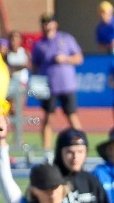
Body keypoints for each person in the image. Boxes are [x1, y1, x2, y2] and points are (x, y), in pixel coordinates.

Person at [28, 14, 85, 152]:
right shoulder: (39, 44)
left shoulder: (66, 39)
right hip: (48, 86)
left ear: (55, 24)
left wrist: (65, 59)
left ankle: (81, 144)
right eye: (44, 23)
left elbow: (79, 58)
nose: (47, 25)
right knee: (48, 118)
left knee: (72, 115)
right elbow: (34, 65)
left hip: (66, 84)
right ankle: (46, 150)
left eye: (49, 22)